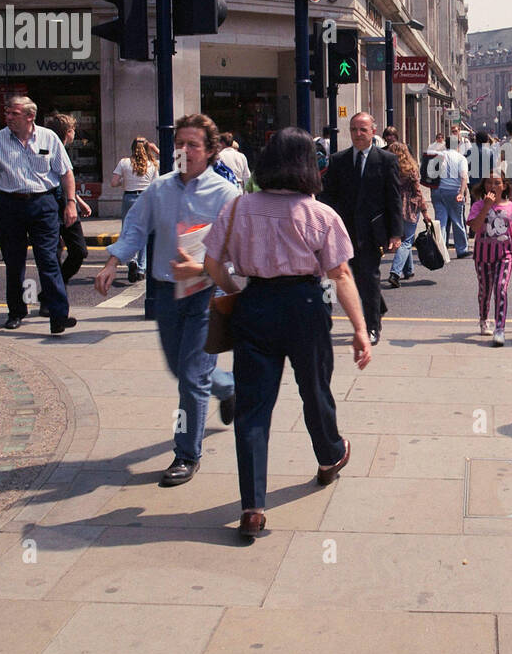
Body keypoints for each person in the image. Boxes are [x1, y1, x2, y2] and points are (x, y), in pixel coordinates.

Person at [198, 128, 371, 542]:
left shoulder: (238, 208)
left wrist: (239, 290)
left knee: (253, 408)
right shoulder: (320, 214)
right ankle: (329, 455)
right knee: (314, 389)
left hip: (254, 305)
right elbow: (340, 274)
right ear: (308, 166)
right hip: (305, 307)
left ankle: (253, 507)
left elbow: (211, 263)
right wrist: (360, 330)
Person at [94, 113, 238, 486]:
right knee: (180, 369)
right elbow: (136, 228)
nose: (185, 151)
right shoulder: (159, 188)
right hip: (165, 292)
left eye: (193, 145)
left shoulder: (226, 194)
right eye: (180, 144)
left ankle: (186, 454)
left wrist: (204, 269)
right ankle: (229, 387)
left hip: (206, 294)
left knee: (190, 377)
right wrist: (113, 262)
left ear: (209, 151)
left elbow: (237, 252)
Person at [0, 95, 79, 334]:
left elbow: (66, 173)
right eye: (6, 113)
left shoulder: (49, 138)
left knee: (48, 260)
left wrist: (70, 203)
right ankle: (16, 312)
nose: (8, 117)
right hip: (10, 205)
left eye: (14, 114)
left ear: (30, 116)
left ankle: (58, 315)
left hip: (43, 204)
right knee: (14, 261)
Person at [320, 112, 402, 346]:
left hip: (372, 232)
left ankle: (372, 326)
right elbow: (329, 196)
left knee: (368, 276)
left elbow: (393, 198)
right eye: (354, 129)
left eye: (362, 130)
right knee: (352, 278)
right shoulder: (338, 160)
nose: (358, 134)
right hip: (344, 232)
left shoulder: (386, 160)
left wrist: (396, 233)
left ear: (373, 132)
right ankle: (379, 306)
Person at [466, 170, 512, 346]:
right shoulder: (477, 206)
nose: (493, 186)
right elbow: (475, 228)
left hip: (506, 254)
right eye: (489, 182)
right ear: (484, 185)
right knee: (485, 290)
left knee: (500, 288)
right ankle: (484, 319)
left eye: (497, 182)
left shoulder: (511, 207)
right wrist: (486, 206)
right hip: (483, 255)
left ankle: (500, 329)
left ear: (504, 185)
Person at [45, 113, 93, 293]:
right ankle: (53, 296)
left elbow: (65, 181)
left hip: (67, 203)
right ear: (67, 132)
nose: (75, 134)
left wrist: (77, 201)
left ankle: (53, 289)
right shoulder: (50, 149)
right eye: (73, 130)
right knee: (54, 253)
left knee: (79, 251)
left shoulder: (64, 151)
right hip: (52, 205)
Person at [110, 136, 159, 282]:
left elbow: (113, 183)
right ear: (147, 149)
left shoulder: (124, 162)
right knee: (144, 233)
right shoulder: (152, 164)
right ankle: (142, 268)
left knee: (128, 231)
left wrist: (125, 181)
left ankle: (132, 260)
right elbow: (156, 184)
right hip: (145, 198)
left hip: (129, 198)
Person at [386, 139, 431, 287]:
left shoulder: (387, 168)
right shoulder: (411, 168)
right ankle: (395, 273)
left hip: (393, 206)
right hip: (409, 207)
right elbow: (418, 192)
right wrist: (424, 211)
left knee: (404, 238)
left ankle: (408, 269)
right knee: (406, 241)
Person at [428, 135, 470, 260]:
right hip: (453, 191)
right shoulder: (461, 158)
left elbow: (431, 175)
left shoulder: (438, 156)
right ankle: (461, 249)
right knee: (457, 221)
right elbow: (463, 177)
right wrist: (462, 193)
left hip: (438, 191)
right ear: (458, 145)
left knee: (440, 221)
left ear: (446, 144)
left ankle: (440, 249)